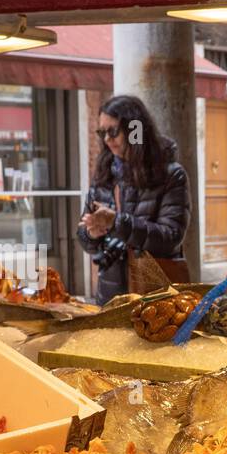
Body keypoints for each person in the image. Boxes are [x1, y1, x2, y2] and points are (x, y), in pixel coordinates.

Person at [77, 94, 190, 304]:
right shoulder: (104, 173)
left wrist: (116, 223)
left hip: (156, 295)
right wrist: (92, 233)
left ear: (135, 130)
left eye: (113, 131)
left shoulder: (171, 175)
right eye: (102, 132)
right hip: (111, 295)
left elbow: (171, 237)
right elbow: (84, 237)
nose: (107, 139)